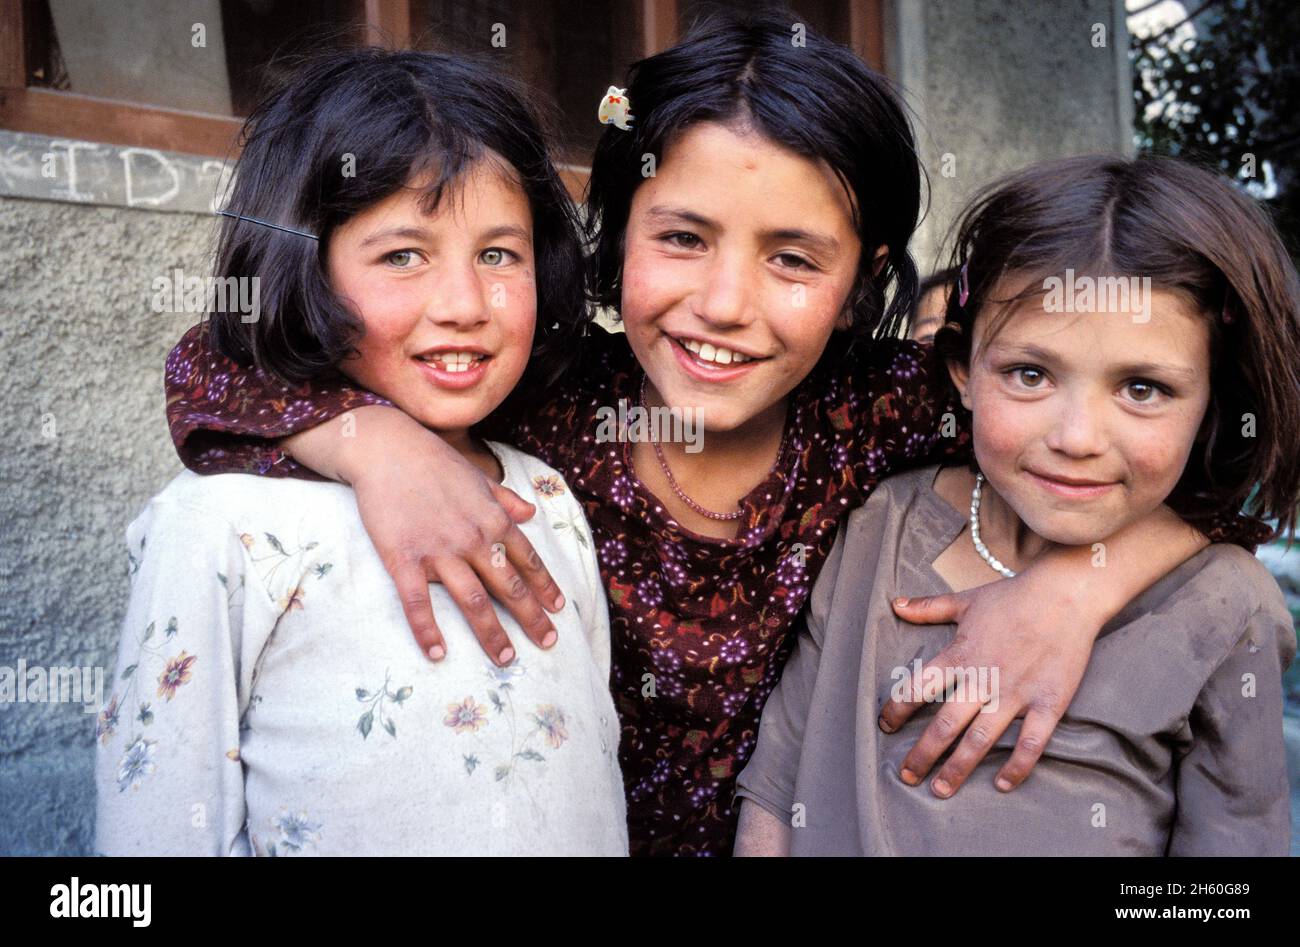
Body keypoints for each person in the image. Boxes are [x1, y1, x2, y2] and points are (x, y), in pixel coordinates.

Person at [155, 15, 1246, 855]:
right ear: (614, 228)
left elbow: (1190, 475)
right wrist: (369, 442)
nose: (724, 305)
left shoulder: (892, 406)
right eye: (681, 237)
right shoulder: (539, 392)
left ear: (864, 279)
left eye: (792, 257)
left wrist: (1078, 585)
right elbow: (216, 366)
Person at [94, 48, 627, 856]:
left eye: (497, 254)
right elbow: (155, 825)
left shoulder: (546, 496)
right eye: (401, 254)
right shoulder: (221, 526)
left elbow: (598, 770)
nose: (463, 305)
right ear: (304, 266)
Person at [734, 155, 1300, 855]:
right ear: (963, 372)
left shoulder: (1225, 606)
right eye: (1029, 374)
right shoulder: (882, 523)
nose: (1076, 438)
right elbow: (774, 785)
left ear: (1214, 400)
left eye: (1144, 389)